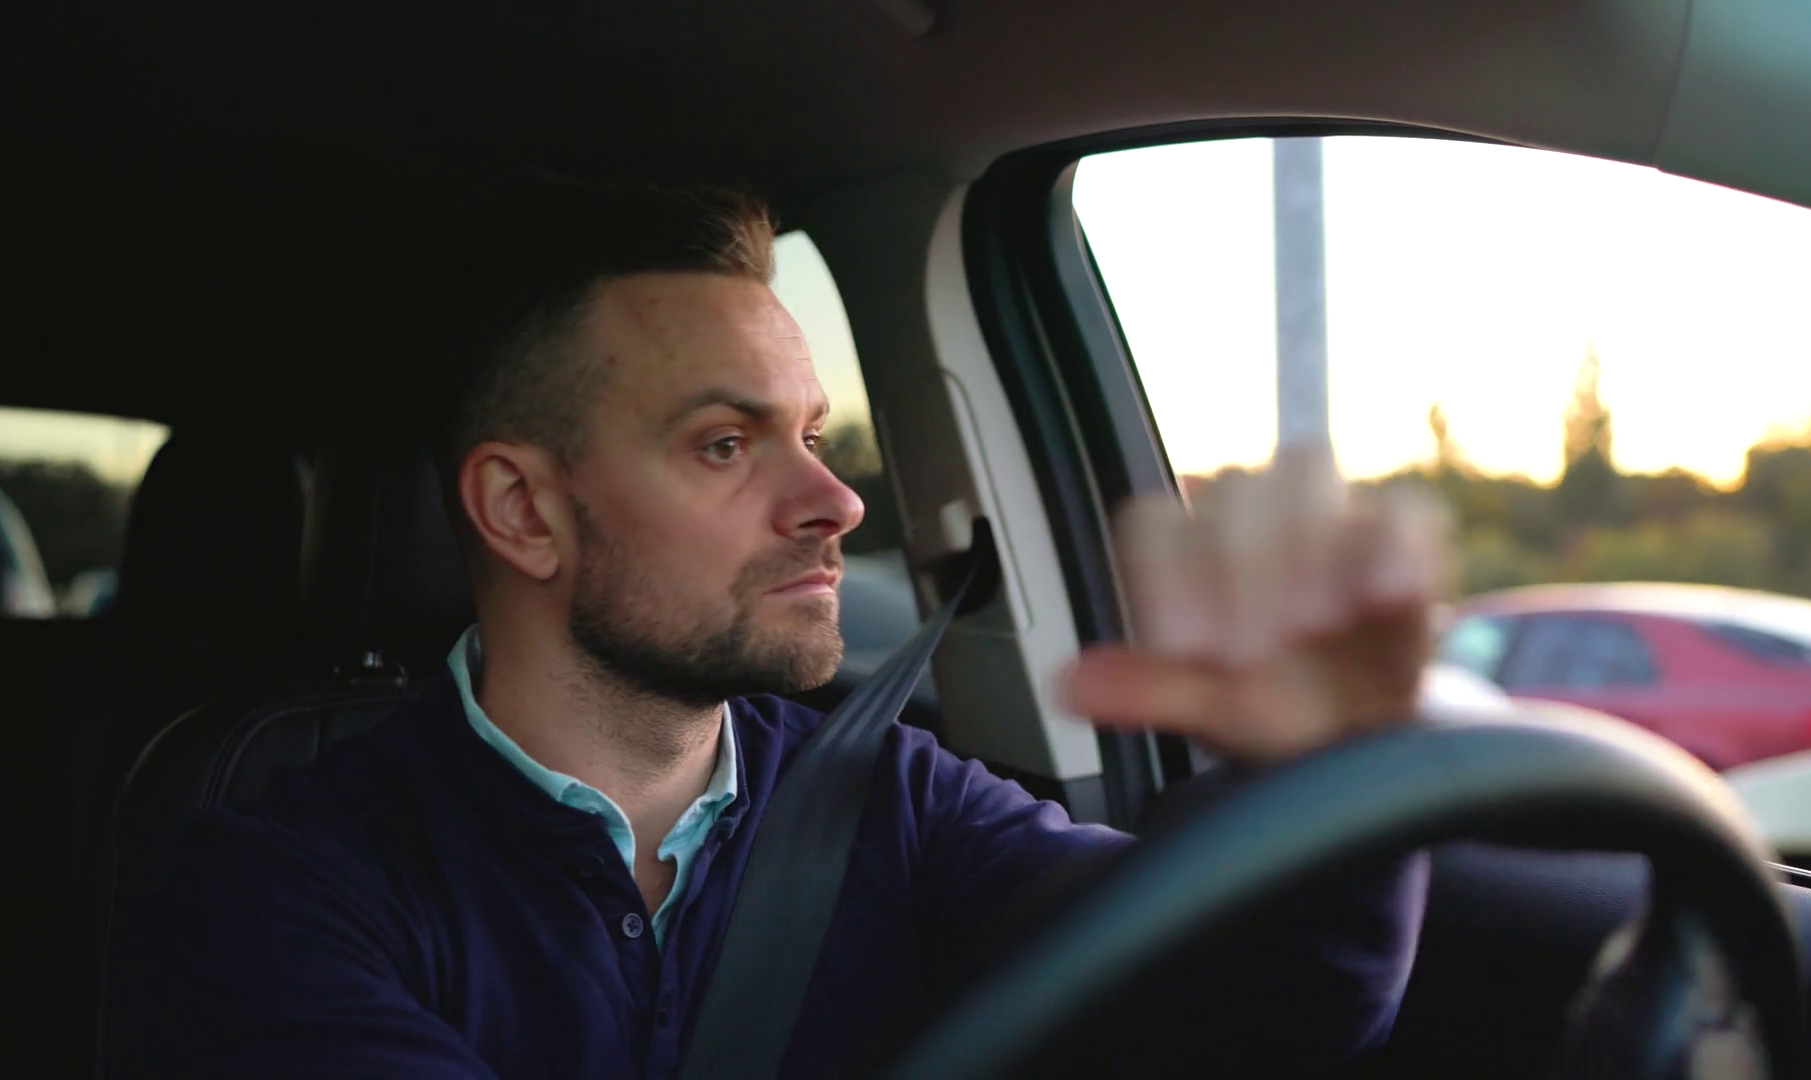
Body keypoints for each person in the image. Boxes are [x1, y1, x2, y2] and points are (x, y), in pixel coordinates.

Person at [107, 182, 1449, 1078]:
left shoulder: (894, 800)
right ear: (524, 510)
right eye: (724, 443)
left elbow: (1267, 1009)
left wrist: (1328, 779)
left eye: (810, 433)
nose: (835, 501)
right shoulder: (277, 891)